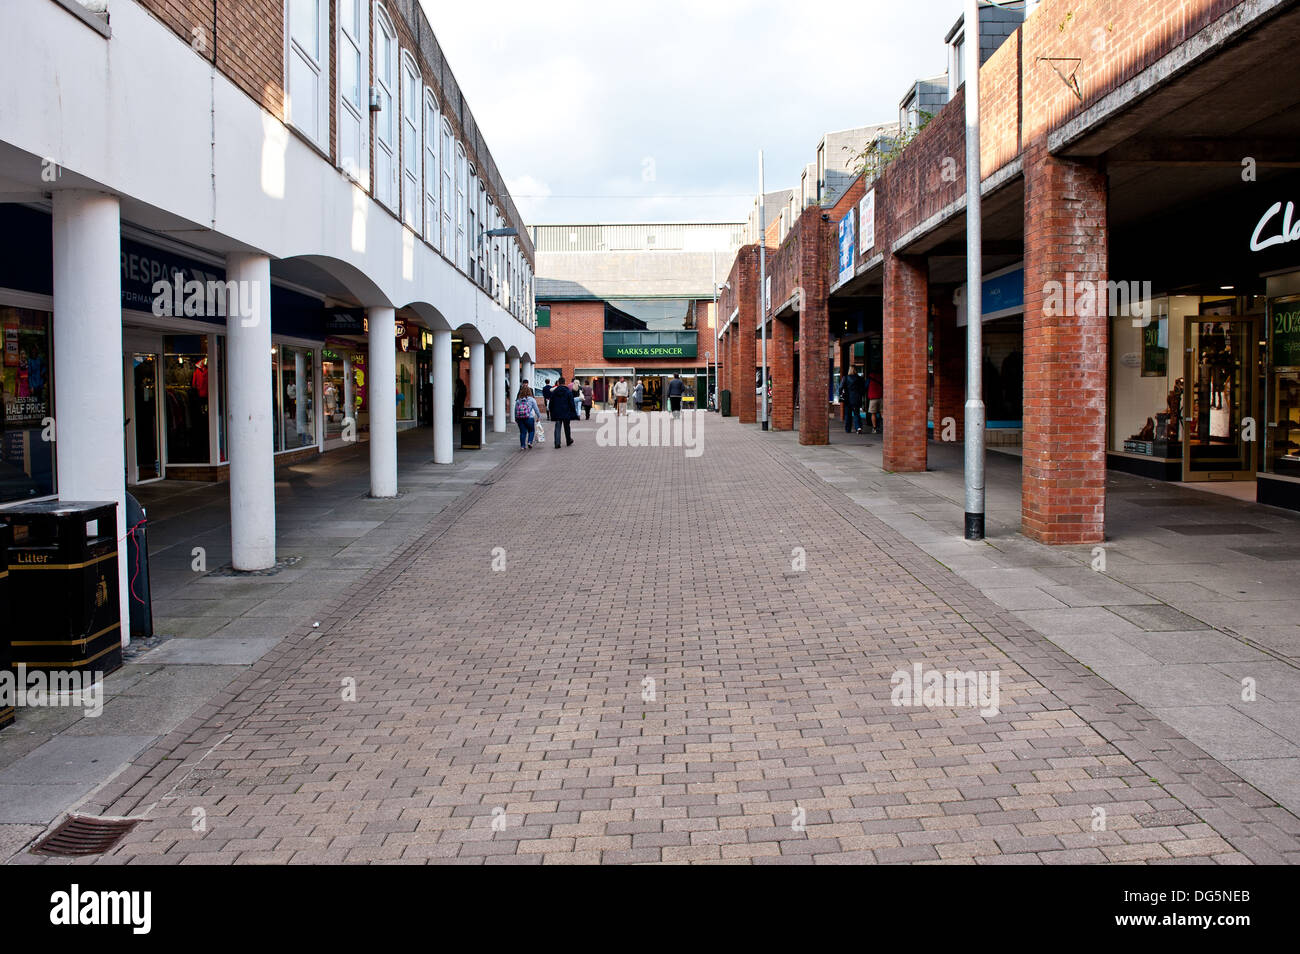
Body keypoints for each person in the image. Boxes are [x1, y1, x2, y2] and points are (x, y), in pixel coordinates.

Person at [549, 379, 577, 447]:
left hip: (557, 412)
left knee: (557, 427)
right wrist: (573, 412)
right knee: (567, 427)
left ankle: (557, 443)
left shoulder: (554, 392)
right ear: (564, 383)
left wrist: (551, 411)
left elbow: (551, 403)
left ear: (558, 383)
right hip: (566, 412)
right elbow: (571, 403)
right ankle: (568, 440)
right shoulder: (568, 392)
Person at [513, 381, 540, 450]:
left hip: (520, 418)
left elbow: (515, 410)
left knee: (522, 432)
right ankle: (530, 442)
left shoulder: (518, 400)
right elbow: (536, 409)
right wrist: (538, 416)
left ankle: (522, 446)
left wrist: (516, 418)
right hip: (529, 417)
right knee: (531, 430)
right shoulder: (531, 399)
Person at [839, 368, 864, 434]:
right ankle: (858, 427)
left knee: (848, 414)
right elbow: (863, 388)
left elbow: (840, 387)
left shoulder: (845, 378)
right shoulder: (859, 378)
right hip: (856, 398)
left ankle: (848, 429)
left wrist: (841, 394)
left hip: (847, 398)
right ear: (856, 370)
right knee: (856, 413)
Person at [865, 368, 883, 434]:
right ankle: (884, 426)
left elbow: (865, 387)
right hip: (881, 397)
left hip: (873, 398)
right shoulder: (881, 377)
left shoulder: (869, 378)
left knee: (873, 413)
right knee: (882, 413)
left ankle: (874, 428)